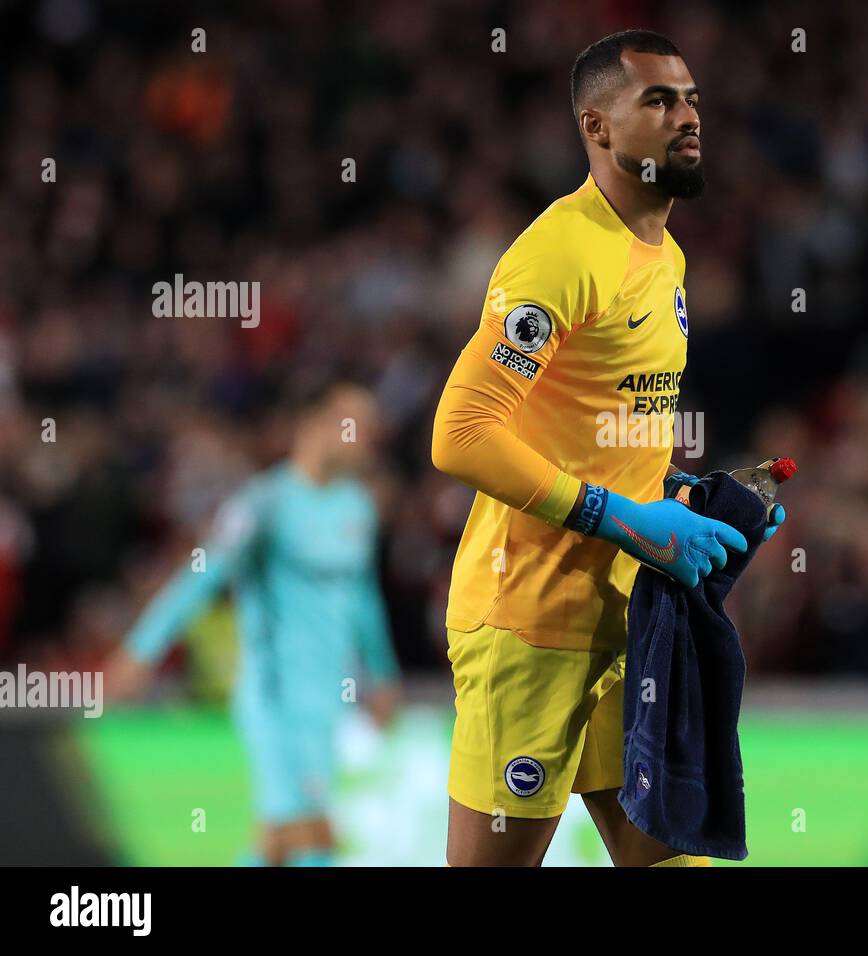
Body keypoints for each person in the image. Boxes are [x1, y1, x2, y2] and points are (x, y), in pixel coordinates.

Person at [431, 29, 782, 867]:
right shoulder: (559, 253)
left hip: (633, 617)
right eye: (658, 101)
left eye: (691, 97)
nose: (687, 116)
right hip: (531, 620)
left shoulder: (665, 258)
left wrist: (684, 497)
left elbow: (608, 426)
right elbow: (461, 434)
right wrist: (617, 514)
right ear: (597, 127)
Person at [107, 383, 400, 866]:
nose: (371, 435)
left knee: (280, 842)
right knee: (310, 837)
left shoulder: (358, 509)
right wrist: (141, 651)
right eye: (358, 423)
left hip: (329, 698)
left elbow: (363, 597)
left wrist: (383, 673)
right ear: (315, 425)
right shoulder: (263, 505)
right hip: (274, 696)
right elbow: (199, 577)